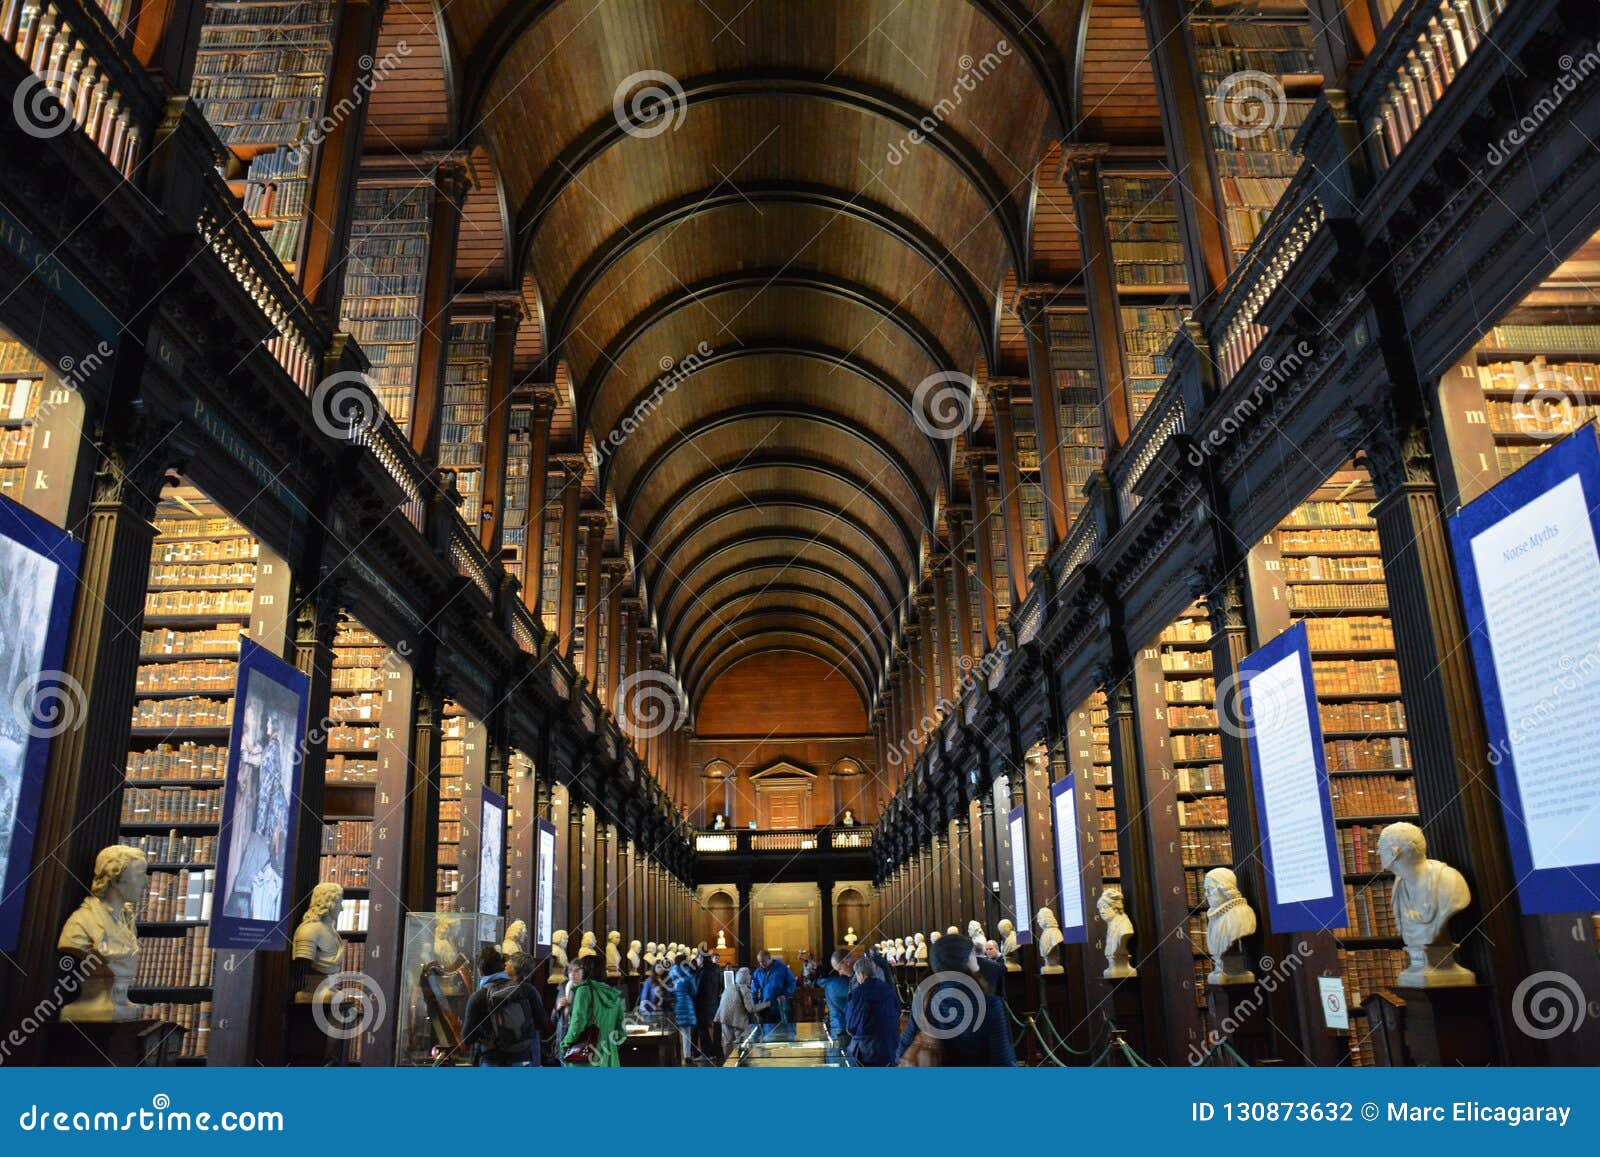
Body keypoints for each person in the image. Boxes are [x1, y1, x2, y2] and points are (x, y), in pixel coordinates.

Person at [896, 934, 1016, 1066]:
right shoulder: (990, 1005)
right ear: (967, 962)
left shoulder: (924, 999)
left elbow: (903, 1048)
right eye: (973, 955)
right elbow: (1003, 1060)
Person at [459, 945, 546, 1066]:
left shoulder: (477, 997)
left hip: (492, 1059)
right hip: (522, 1058)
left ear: (480, 971)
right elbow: (542, 1022)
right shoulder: (526, 989)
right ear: (502, 967)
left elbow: (467, 1038)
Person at [560, 956, 626, 1066]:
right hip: (610, 1059)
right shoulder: (614, 995)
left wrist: (564, 1045)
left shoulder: (583, 991)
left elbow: (577, 1025)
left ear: (586, 970)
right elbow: (622, 1032)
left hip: (587, 1059)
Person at [844, 954, 900, 1067]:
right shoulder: (889, 990)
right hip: (890, 1045)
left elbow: (851, 1025)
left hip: (868, 1049)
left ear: (860, 974)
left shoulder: (858, 994)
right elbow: (897, 1012)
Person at [714, 966, 768, 1053]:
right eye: (749, 975)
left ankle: (728, 1062)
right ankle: (741, 1060)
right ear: (746, 978)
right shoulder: (745, 990)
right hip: (737, 1019)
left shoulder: (729, 987)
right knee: (742, 1040)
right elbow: (751, 1009)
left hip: (724, 1017)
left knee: (728, 1042)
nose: (750, 977)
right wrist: (766, 1004)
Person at [692, 949, 724, 1062]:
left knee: (702, 1029)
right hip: (713, 1003)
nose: (697, 961)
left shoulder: (703, 971)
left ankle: (708, 1053)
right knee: (713, 1029)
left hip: (702, 1004)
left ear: (701, 958)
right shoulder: (716, 969)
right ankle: (715, 1052)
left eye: (697, 958)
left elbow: (697, 988)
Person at [751, 950, 796, 1023]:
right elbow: (754, 990)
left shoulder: (782, 968)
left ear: (769, 958)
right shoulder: (758, 972)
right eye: (759, 962)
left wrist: (785, 994)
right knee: (768, 1031)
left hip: (781, 1006)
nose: (761, 964)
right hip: (765, 1007)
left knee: (784, 1030)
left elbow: (792, 983)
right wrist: (754, 1006)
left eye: (763, 961)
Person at [817, 949, 853, 1037]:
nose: (840, 973)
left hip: (837, 1026)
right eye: (838, 969)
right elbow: (857, 996)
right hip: (843, 1028)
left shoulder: (829, 983)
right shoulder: (837, 984)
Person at [670, 954, 699, 1063]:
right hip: (685, 1004)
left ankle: (675, 1055)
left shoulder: (671, 974)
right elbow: (694, 991)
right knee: (686, 1032)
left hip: (673, 1003)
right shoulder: (688, 975)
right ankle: (687, 1055)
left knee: (672, 1031)